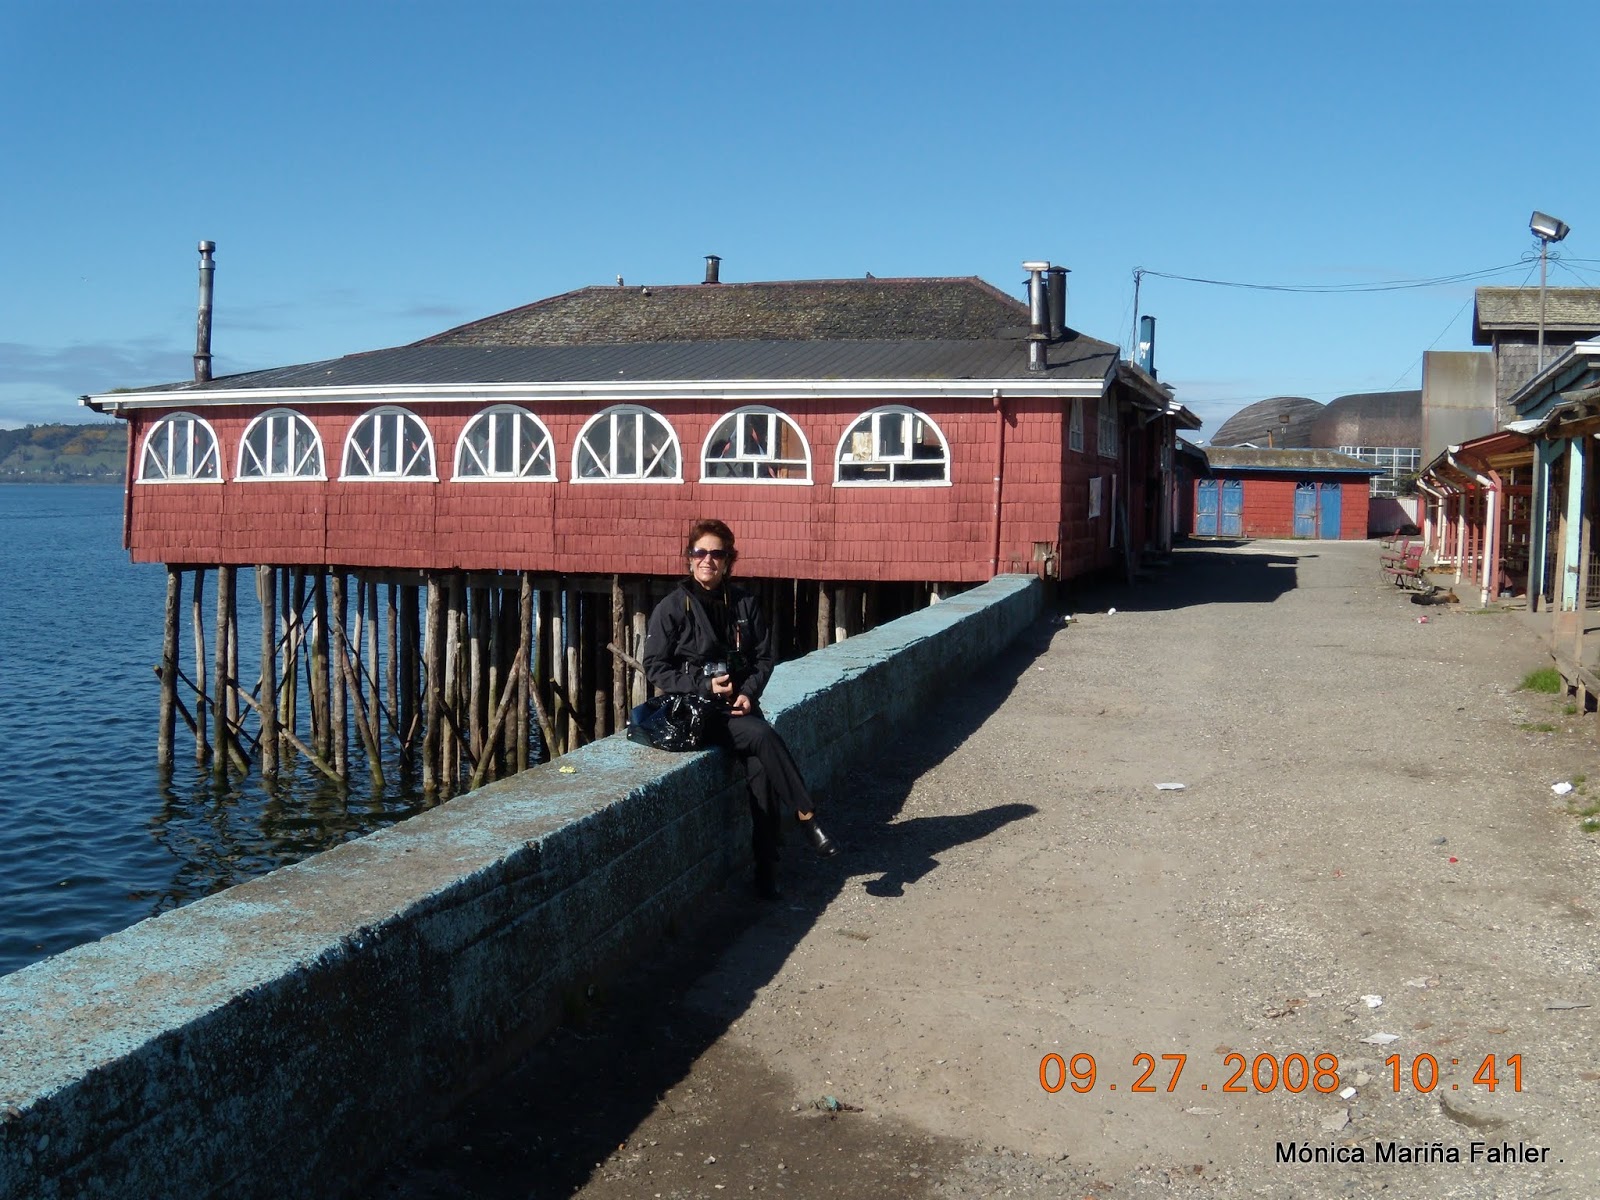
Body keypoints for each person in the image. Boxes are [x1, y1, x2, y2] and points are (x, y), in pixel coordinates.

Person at [642, 518, 838, 898]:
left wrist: (749, 692)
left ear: (730, 559)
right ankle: (807, 818)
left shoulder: (745, 603)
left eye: (717, 553)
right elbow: (654, 667)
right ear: (689, 558)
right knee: (762, 734)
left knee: (763, 778)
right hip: (698, 713)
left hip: (740, 706)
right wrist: (703, 685)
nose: (708, 560)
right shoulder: (672, 607)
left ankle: (766, 875)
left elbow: (765, 657)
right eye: (701, 552)